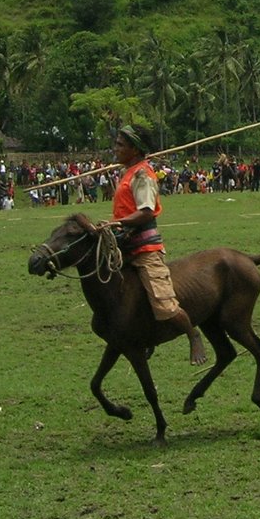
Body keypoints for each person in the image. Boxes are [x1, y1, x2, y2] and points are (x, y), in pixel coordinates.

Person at [110, 123, 208, 366]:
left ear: (134, 149)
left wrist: (115, 223)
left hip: (144, 249)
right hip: (123, 246)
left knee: (163, 303)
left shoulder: (143, 175)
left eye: (120, 145)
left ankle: (193, 335)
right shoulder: (130, 170)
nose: (116, 149)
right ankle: (144, 335)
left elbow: (145, 213)